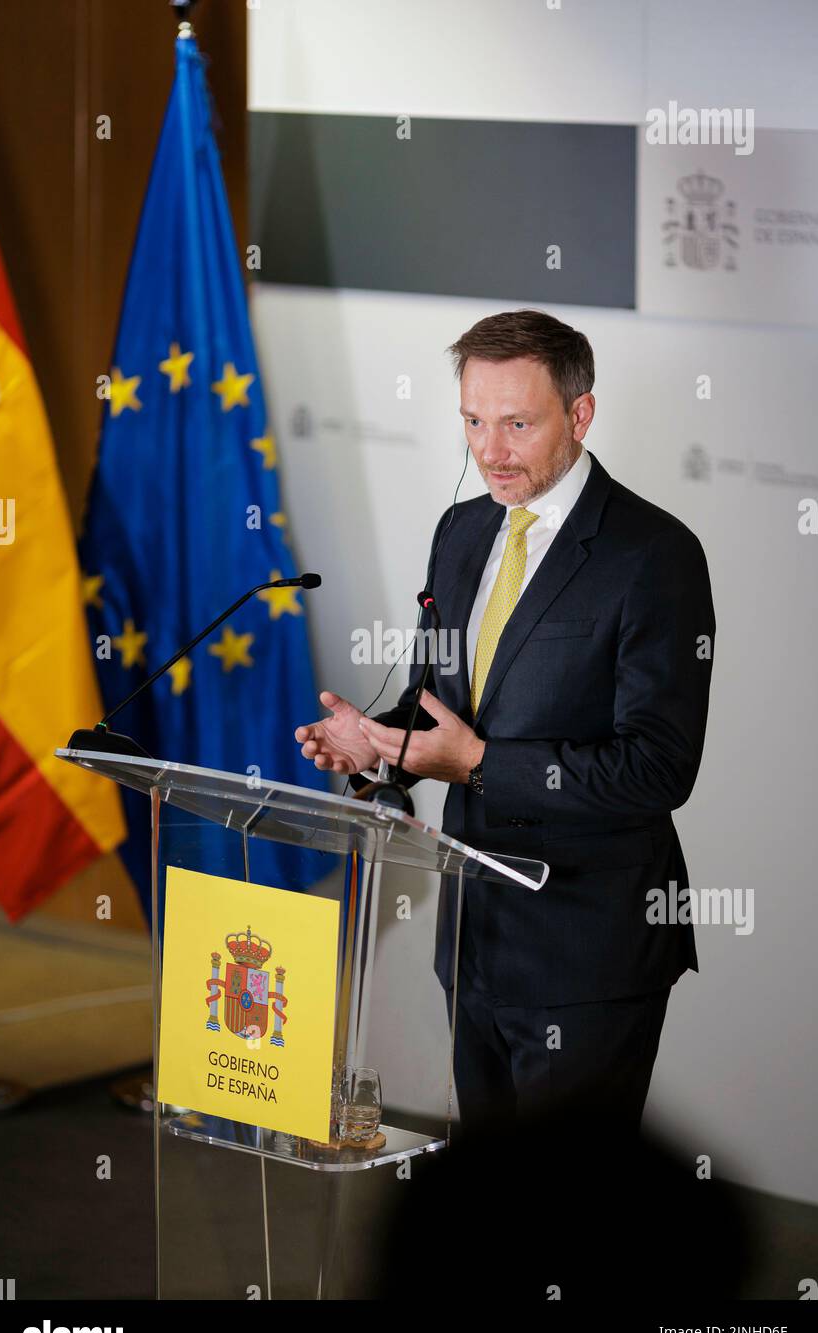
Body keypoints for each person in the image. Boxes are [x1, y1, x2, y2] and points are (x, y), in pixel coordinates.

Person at [294, 309, 715, 1135]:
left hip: (588, 951)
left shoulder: (653, 555)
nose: (489, 451)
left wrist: (480, 762)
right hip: (475, 937)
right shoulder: (463, 531)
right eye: (474, 422)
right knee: (494, 1218)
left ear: (580, 414)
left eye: (517, 424)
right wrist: (379, 749)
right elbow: (439, 707)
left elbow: (660, 768)